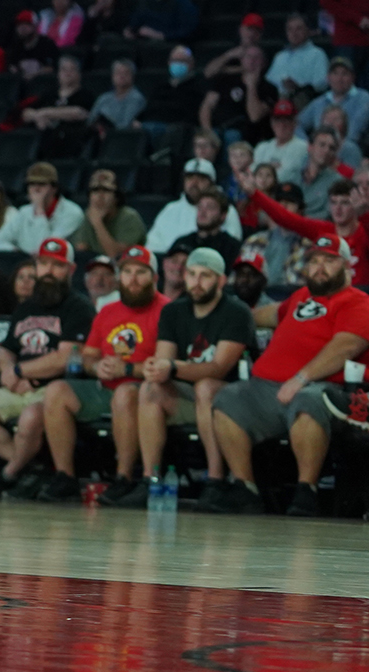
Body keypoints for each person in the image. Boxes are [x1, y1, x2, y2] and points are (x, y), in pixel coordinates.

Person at [207, 236, 367, 516]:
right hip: (269, 388)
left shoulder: (358, 301)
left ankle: (307, 491)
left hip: (326, 387)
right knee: (228, 399)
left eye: (329, 261)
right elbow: (267, 315)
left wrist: (301, 378)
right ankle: (246, 489)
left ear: (346, 266)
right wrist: (227, 314)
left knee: (308, 401)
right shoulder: (301, 296)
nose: (320, 268)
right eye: (314, 261)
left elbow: (347, 345)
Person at [0, 238, 94, 498]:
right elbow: (6, 349)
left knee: (31, 418)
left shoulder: (80, 307)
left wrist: (21, 371)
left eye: (58, 265)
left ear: (71, 270)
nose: (49, 271)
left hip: (56, 391)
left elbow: (65, 357)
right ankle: (33, 469)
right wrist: (10, 372)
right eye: (43, 264)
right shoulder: (27, 307)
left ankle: (9, 473)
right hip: (20, 385)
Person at [35, 245, 165, 503]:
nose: (133, 279)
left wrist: (128, 369)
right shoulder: (108, 311)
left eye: (141, 272)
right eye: (127, 272)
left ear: (155, 278)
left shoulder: (167, 310)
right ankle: (65, 477)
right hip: (105, 386)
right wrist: (97, 367)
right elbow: (89, 356)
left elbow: (166, 363)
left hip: (147, 391)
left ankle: (124, 477)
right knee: (56, 391)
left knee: (125, 393)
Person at [130, 246, 253, 508]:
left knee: (206, 387)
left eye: (205, 276)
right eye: (192, 274)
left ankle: (216, 480)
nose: (196, 282)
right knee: (150, 388)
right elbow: (165, 360)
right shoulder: (174, 311)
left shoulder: (236, 312)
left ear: (221, 280)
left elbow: (219, 368)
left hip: (232, 400)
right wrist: (157, 368)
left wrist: (172, 367)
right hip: (190, 396)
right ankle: (149, 479)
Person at [146, 159, 242, 253]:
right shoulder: (170, 209)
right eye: (190, 178)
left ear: (211, 183)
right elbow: (152, 246)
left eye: (201, 179)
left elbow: (232, 246)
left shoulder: (226, 210)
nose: (194, 183)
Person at [71, 168, 145, 257]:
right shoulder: (89, 214)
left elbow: (116, 256)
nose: (100, 196)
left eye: (106, 190)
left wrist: (97, 223)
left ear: (116, 197)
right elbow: (81, 250)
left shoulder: (129, 217)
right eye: (95, 190)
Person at [15, 162, 83, 250]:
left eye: (41, 184)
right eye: (32, 184)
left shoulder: (72, 212)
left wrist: (39, 210)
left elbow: (47, 248)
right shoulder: (23, 211)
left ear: (54, 188)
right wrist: (13, 249)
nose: (36, 189)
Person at [266, 14, 328, 98]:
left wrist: (298, 87)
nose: (294, 33)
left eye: (299, 28)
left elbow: (322, 84)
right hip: (278, 100)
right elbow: (269, 81)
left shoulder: (317, 54)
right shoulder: (280, 56)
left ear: (308, 30)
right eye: (290, 29)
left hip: (304, 99)